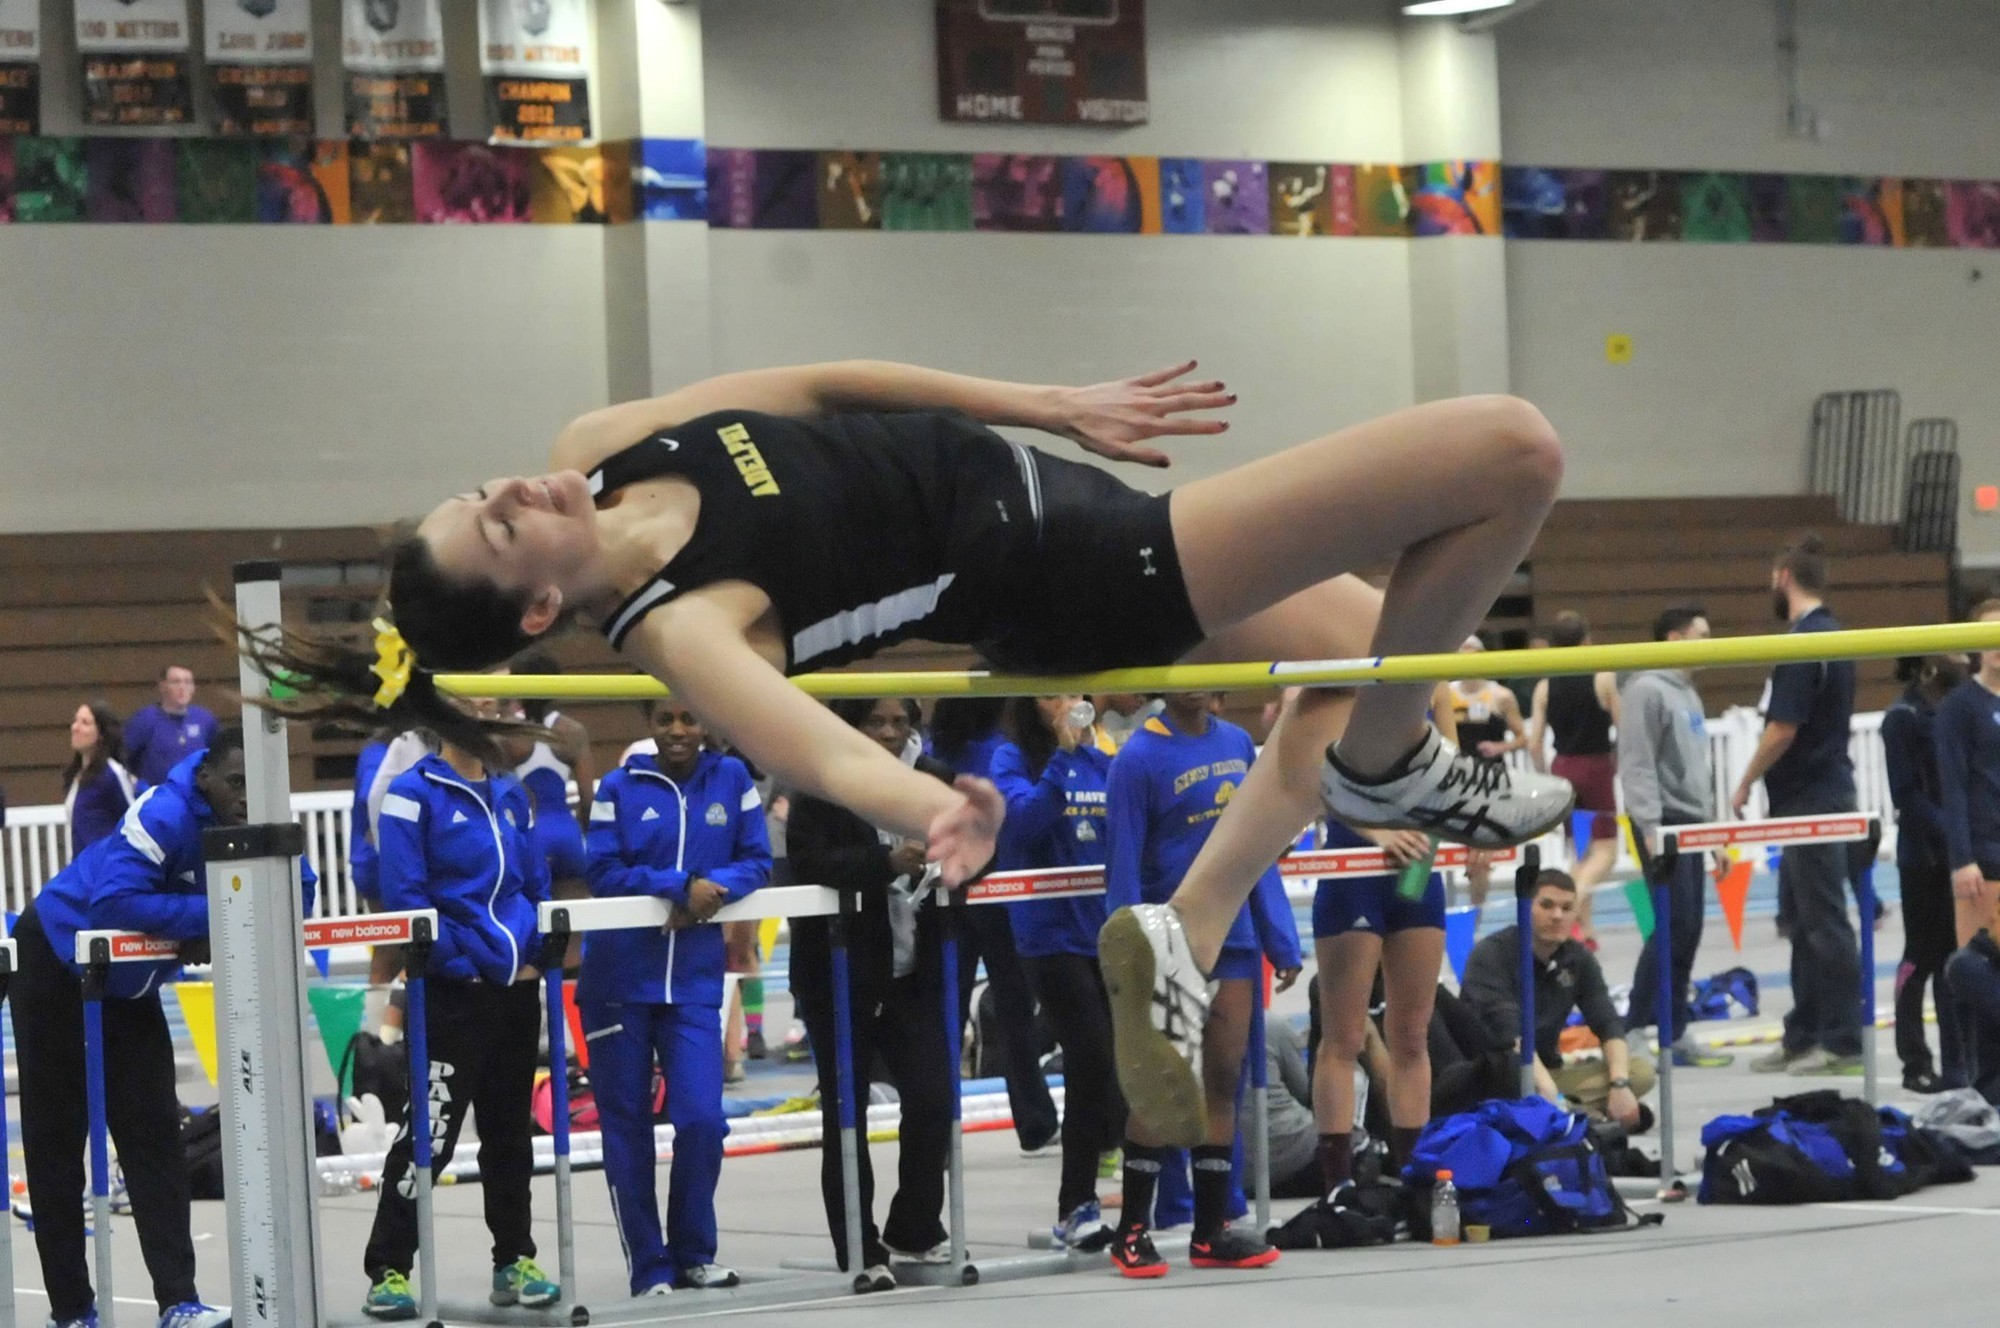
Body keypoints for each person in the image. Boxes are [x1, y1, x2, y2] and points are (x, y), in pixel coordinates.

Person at [228, 358, 1572, 1140]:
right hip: (1087, 567)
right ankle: (1387, 764)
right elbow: (817, 752)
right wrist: (931, 806)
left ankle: (1194, 920)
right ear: (535, 609)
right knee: (1507, 451)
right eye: (503, 525)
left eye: (484, 492)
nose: (517, 487)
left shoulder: (602, 446)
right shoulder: (683, 625)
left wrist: (1046, 402)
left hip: (1068, 493)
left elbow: (830, 382)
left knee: (1364, 660)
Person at [16, 727, 304, 1328]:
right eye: (235, 784)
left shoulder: (262, 815)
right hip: (57, 958)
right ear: (205, 777)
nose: (246, 798)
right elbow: (112, 904)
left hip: (127, 985)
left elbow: (295, 893)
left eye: (255, 786)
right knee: (57, 1146)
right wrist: (216, 916)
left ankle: (178, 1302)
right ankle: (72, 1312)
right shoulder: (164, 812)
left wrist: (204, 920)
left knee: (156, 1141)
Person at [361, 703, 558, 1321]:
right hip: (451, 994)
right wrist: (465, 961)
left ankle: (514, 1258)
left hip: (515, 990)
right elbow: (407, 899)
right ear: (442, 714)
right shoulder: (410, 795)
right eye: (473, 701)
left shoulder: (510, 794)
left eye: (496, 702)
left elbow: (535, 885)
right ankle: (389, 1269)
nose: (488, 712)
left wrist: (529, 955)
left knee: (510, 1135)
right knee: (431, 1135)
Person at [1104, 692, 1301, 1277]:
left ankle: (1210, 1231)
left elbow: (1256, 847)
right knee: (1162, 1083)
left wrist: (1280, 937)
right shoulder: (1137, 759)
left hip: (1234, 941)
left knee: (1221, 1080)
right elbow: (1122, 865)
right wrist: (1128, 954)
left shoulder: (1237, 743)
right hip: (1169, 941)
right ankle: (1131, 1230)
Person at [582, 700, 772, 1296]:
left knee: (702, 1120)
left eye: (689, 718)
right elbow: (602, 871)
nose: (678, 731)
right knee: (627, 1128)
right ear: (650, 724)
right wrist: (676, 887)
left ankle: (693, 1253)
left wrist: (714, 892)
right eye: (665, 720)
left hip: (692, 981)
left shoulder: (733, 779)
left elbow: (758, 861)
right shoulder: (617, 787)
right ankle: (649, 1265)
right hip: (617, 982)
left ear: (707, 722)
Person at [786, 697, 955, 1289]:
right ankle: (859, 1245)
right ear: (851, 727)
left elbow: (976, 849)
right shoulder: (819, 786)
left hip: (914, 976)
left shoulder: (932, 780)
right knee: (846, 1115)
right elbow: (808, 863)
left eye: (899, 722)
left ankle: (915, 1226)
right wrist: (884, 861)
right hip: (839, 975)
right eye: (875, 722)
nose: (889, 733)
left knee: (934, 1098)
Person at [988, 694, 1123, 1250]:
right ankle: (1076, 1205)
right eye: (1052, 696)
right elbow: (1022, 825)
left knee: (1120, 1064)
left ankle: (1140, 1191)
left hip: (1104, 930)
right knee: (1089, 1058)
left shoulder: (1102, 760)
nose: (1067, 704)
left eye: (1075, 694)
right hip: (1048, 935)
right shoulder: (1010, 759)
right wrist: (1063, 758)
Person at [1734, 535, 1863, 1076]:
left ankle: (1844, 1041)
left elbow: (1781, 728)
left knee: (1824, 922)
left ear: (1784, 576)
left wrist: (1744, 782)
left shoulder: (1807, 641)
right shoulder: (1832, 634)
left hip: (1813, 798)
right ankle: (1805, 1032)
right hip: (1808, 795)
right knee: (1803, 921)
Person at [928, 698, 1060, 1152]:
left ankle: (938, 1129)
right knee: (1014, 1009)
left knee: (948, 1010)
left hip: (950, 887)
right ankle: (1033, 1119)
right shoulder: (1004, 752)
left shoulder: (936, 751)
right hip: (995, 889)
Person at [1303, 808, 1442, 1224]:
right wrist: (1378, 832)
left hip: (1418, 866)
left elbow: (1454, 784)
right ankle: (1338, 1184)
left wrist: (1480, 838)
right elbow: (1321, 785)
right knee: (1344, 1039)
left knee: (1412, 1037)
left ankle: (1415, 1180)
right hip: (1354, 872)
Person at [1620, 605, 1733, 1069]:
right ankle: (1633, 1029)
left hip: (1690, 821)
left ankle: (1675, 1029)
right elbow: (1637, 762)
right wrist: (1650, 826)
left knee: (1689, 928)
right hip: (1662, 821)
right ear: (1673, 638)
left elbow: (1698, 773)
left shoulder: (1688, 693)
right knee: (1670, 925)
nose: (1709, 644)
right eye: (1701, 635)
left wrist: (1714, 835)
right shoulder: (1646, 689)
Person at [1460, 870, 1653, 1127]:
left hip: (1549, 1071)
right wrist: (1549, 1092)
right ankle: (1572, 1111)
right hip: (1497, 1075)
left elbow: (1608, 1023)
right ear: (1526, 907)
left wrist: (1620, 1084)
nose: (1557, 915)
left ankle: (1571, 1111)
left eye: (1566, 908)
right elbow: (1510, 1034)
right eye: (1547, 905)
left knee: (1640, 1072)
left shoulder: (1578, 959)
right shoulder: (1491, 954)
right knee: (1522, 1087)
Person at [1883, 652, 1967, 1093]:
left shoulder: (1955, 708)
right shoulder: (1903, 717)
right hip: (1922, 857)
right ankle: (1914, 1059)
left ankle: (1957, 1063)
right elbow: (1906, 794)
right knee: (1919, 957)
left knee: (1954, 960)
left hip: (1957, 854)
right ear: (1929, 667)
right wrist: (1952, 830)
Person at [1530, 612, 1619, 946]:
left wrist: (1546, 779)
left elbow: (1535, 743)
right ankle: (1570, 903)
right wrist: (1617, 763)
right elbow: (1623, 728)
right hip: (1595, 765)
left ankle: (1586, 930)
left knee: (1581, 852)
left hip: (1562, 768)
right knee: (1606, 852)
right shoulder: (1602, 678)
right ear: (1587, 641)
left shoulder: (1545, 686)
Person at [1935, 599, 2000, 953]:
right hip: (1985, 858)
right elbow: (1953, 786)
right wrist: (1962, 860)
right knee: (1978, 968)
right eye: (1988, 635)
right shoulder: (1959, 707)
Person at [123, 666, 220, 789]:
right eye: (176, 682)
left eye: (188, 682)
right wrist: (139, 787)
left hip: (196, 795)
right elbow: (122, 758)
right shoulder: (144, 719)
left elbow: (217, 758)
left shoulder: (205, 719)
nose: (182, 687)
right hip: (157, 794)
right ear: (163, 686)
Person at [63, 701, 137, 853]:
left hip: (105, 864)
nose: (75, 727)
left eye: (85, 723)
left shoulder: (111, 774)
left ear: (101, 734)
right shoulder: (76, 775)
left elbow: (132, 821)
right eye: (75, 721)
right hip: (81, 864)